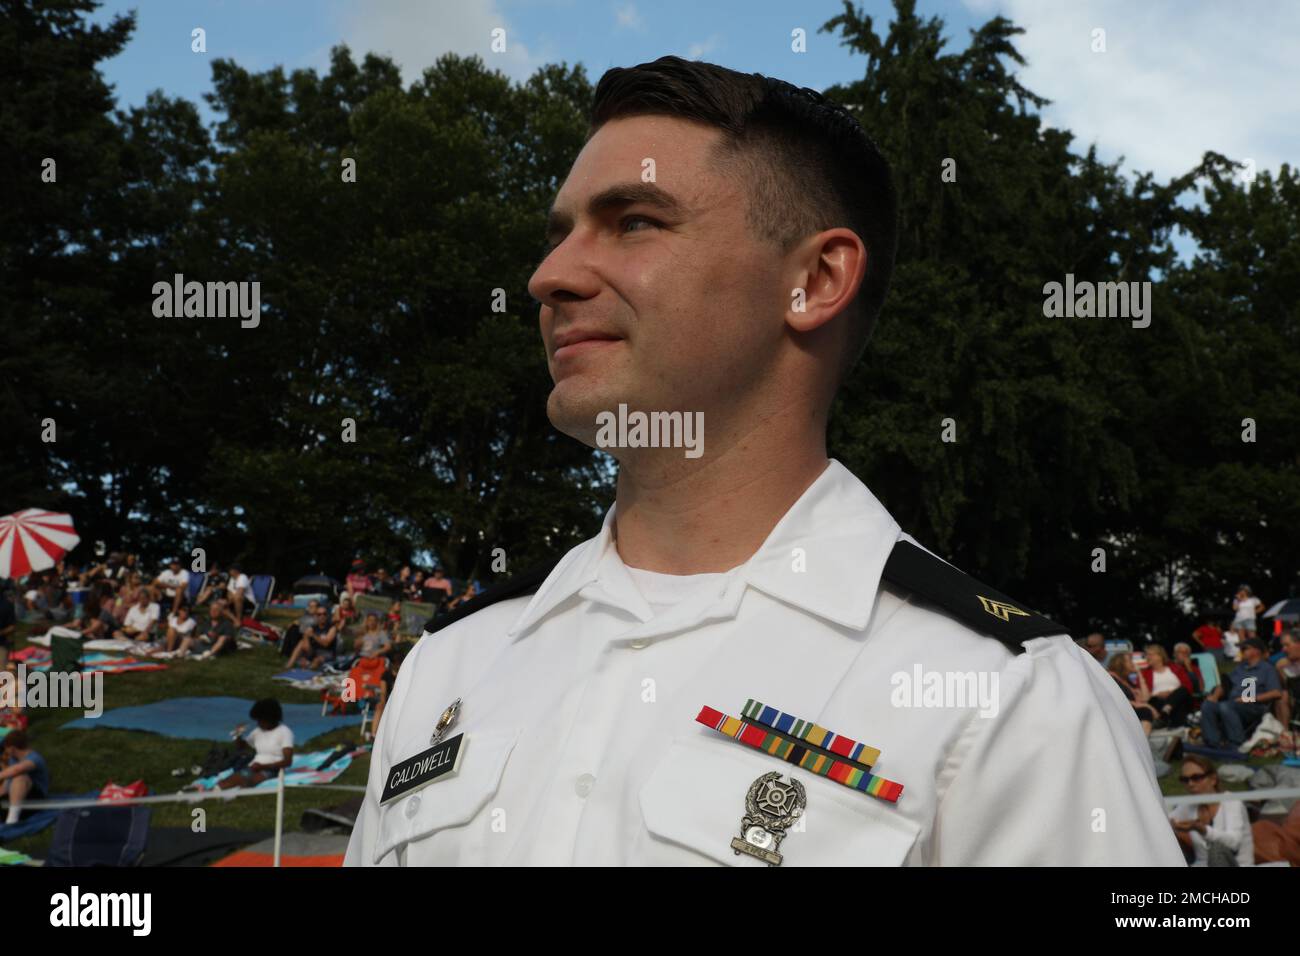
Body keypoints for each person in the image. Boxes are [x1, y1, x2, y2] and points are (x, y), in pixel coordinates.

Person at [346, 57, 1182, 867]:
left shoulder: (1006, 699)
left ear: (815, 280)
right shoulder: (453, 663)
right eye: (560, 234)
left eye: (634, 220)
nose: (548, 276)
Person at [1167, 756, 1253, 866]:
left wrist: (1203, 830)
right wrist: (1173, 825)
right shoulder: (1189, 804)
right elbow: (1164, 820)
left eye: (1196, 778)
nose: (1190, 784)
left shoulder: (1231, 801)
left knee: (1216, 851)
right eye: (1185, 780)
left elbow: (1234, 842)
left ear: (1213, 779)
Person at [1199, 639, 1284, 750]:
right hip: (1233, 703)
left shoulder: (1267, 669)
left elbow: (1276, 692)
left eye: (1244, 648)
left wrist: (1250, 698)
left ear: (1256, 651)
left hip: (1254, 706)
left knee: (1225, 706)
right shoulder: (1240, 668)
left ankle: (1236, 742)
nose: (1241, 651)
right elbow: (1225, 684)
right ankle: (1213, 742)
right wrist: (1215, 695)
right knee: (1208, 705)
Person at [219, 699, 294, 790]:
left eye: (261, 720)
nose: (258, 723)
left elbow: (287, 761)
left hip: (273, 770)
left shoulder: (284, 732)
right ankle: (211, 794)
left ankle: (225, 796)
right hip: (255, 767)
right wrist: (238, 735)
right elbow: (242, 747)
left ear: (271, 718)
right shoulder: (257, 731)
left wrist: (263, 766)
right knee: (226, 782)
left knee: (246, 783)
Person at [1138, 644, 1194, 727]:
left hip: (1179, 697)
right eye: (1146, 655)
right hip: (1158, 701)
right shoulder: (1144, 673)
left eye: (1151, 654)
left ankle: (1166, 711)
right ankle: (1176, 727)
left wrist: (1172, 693)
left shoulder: (1176, 668)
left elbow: (1188, 686)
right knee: (1174, 705)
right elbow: (1142, 695)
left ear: (1160, 656)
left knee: (1182, 691)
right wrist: (1158, 694)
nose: (1147, 657)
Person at [0, 730, 50, 824]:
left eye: (6, 748)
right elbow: (6, 785)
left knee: (20, 777)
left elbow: (17, 770)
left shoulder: (34, 758)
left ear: (12, 748)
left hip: (34, 800)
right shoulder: (13, 759)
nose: (5, 751)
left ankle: (12, 820)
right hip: (15, 800)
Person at [1108, 652, 1159, 736]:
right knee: (1145, 711)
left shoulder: (1127, 680)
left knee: (1156, 701)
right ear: (1121, 663)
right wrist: (1146, 706)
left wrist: (1139, 673)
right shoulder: (1111, 677)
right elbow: (1116, 698)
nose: (1133, 663)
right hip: (1121, 710)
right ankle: (1142, 744)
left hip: (1132, 709)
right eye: (1130, 661)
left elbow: (1145, 698)